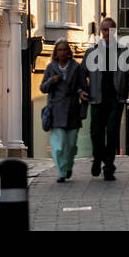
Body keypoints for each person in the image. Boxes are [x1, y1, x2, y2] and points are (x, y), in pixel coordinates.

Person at [83, 17, 129, 181]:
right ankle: (98, 158)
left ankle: (109, 168)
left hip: (116, 100)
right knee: (95, 134)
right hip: (97, 100)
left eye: (110, 29)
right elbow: (81, 74)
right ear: (100, 31)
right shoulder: (91, 52)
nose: (107, 33)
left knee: (112, 134)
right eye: (104, 29)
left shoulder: (123, 52)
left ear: (115, 31)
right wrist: (80, 90)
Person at [40, 40, 88, 182]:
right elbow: (43, 88)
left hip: (73, 110)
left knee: (71, 145)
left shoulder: (76, 67)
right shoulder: (51, 67)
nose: (62, 53)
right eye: (59, 50)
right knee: (59, 145)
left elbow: (84, 89)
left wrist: (82, 113)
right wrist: (51, 81)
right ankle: (62, 172)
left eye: (64, 50)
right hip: (56, 110)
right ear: (56, 52)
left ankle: (68, 165)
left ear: (69, 52)